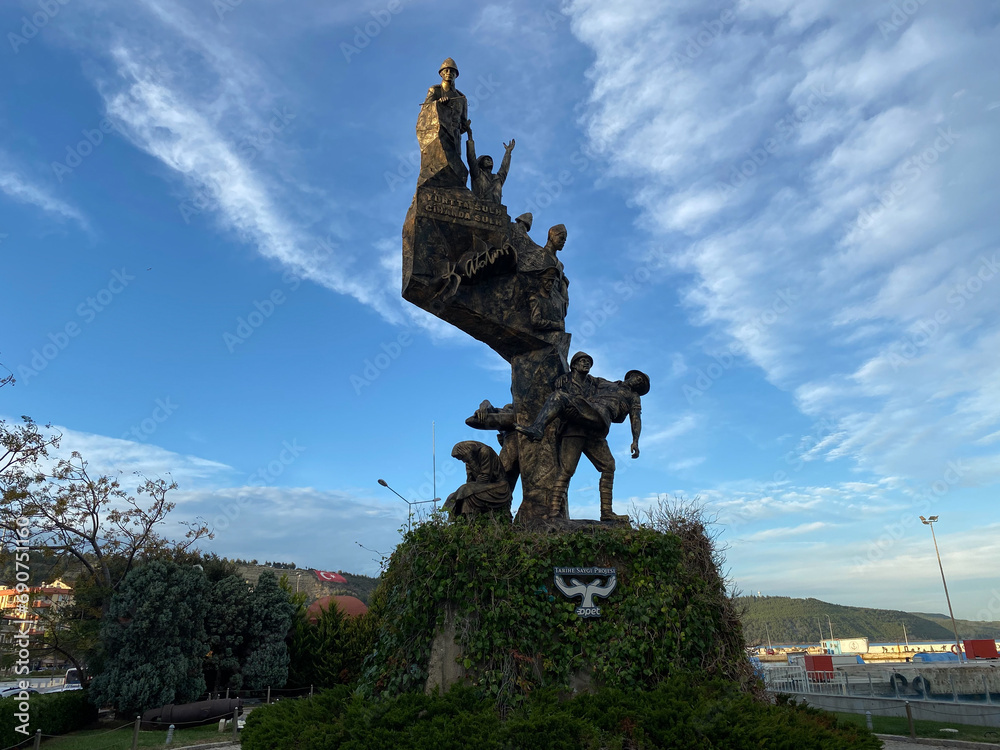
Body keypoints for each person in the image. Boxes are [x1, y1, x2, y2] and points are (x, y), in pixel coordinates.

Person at [517, 352, 650, 521]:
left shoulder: (633, 397)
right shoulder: (603, 382)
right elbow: (581, 376)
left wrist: (635, 441)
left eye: (640, 382)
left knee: (609, 466)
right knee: (566, 471)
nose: (636, 381)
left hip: (598, 421)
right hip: (578, 427)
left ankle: (606, 512)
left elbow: (636, 418)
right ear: (629, 376)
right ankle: (553, 512)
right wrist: (564, 378)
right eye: (636, 377)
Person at [466, 134, 514, 204]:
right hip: (480, 208)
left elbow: (504, 168)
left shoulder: (497, 178)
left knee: (528, 215)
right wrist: (470, 139)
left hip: (497, 211)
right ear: (480, 162)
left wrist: (508, 152)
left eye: (490, 160)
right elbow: (471, 158)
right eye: (487, 159)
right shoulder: (477, 174)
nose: (490, 161)